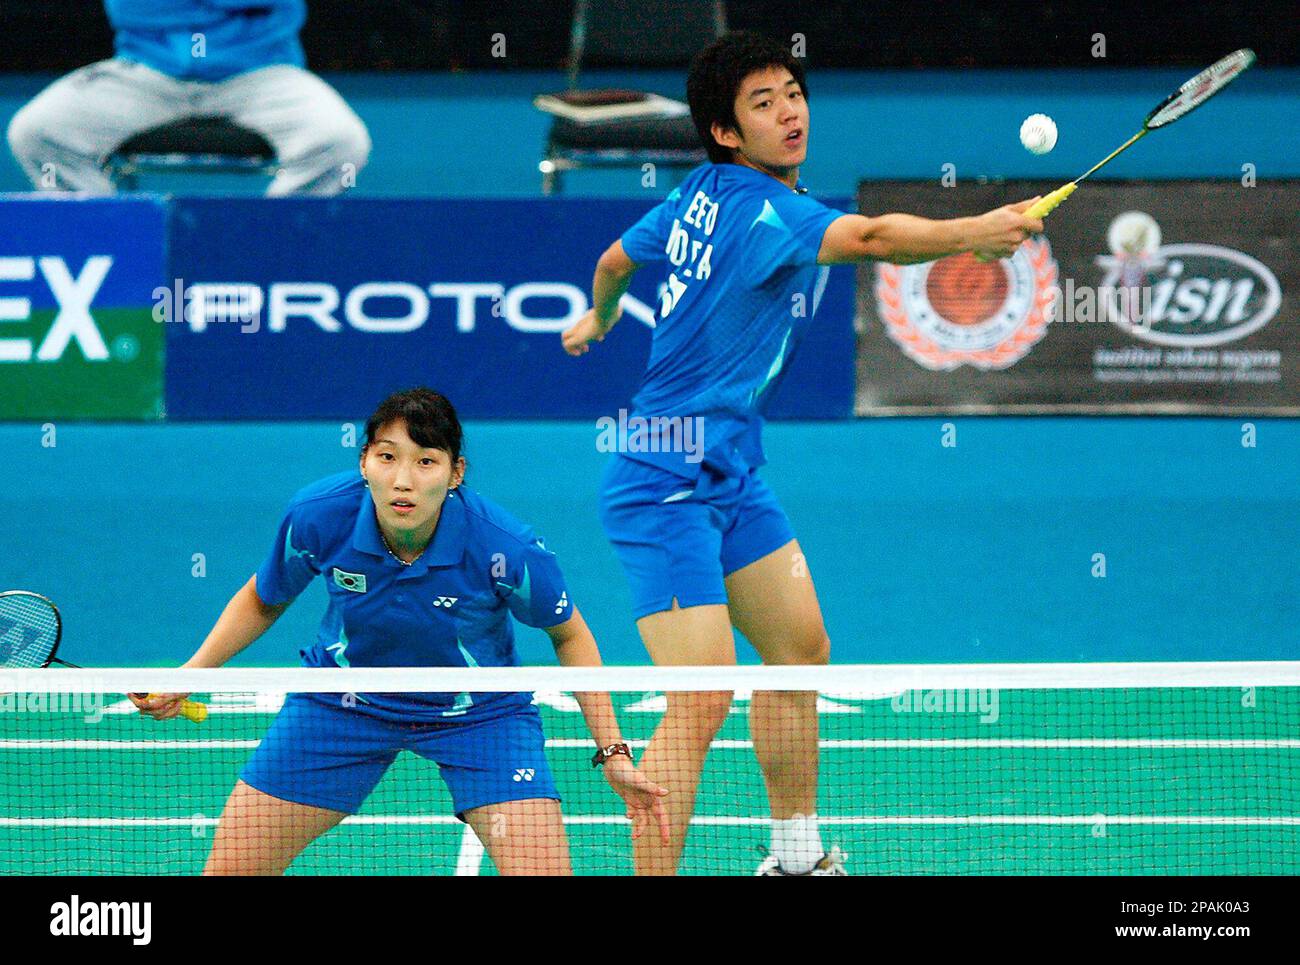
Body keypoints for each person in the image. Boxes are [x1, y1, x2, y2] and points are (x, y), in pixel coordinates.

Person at [562, 31, 1044, 876]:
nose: (790, 112)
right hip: (661, 482)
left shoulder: (699, 194)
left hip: (733, 472)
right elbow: (868, 241)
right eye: (763, 102)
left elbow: (611, 259)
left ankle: (794, 856)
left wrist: (598, 317)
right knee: (701, 700)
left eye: (793, 92)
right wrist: (976, 230)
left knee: (798, 648)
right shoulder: (762, 211)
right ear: (724, 131)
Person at [133, 387, 668, 875]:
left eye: (426, 461)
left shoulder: (505, 548)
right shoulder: (319, 517)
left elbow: (569, 634)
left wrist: (614, 753)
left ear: (456, 472)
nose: (403, 480)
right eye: (387, 457)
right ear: (364, 460)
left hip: (478, 713)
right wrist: (191, 673)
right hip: (342, 703)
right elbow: (263, 597)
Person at [6, 0, 370, 195]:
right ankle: (112, 248)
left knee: (341, 143)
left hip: (263, 74)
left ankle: (267, 250)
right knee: (37, 131)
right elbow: (130, 9)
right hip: (146, 74)